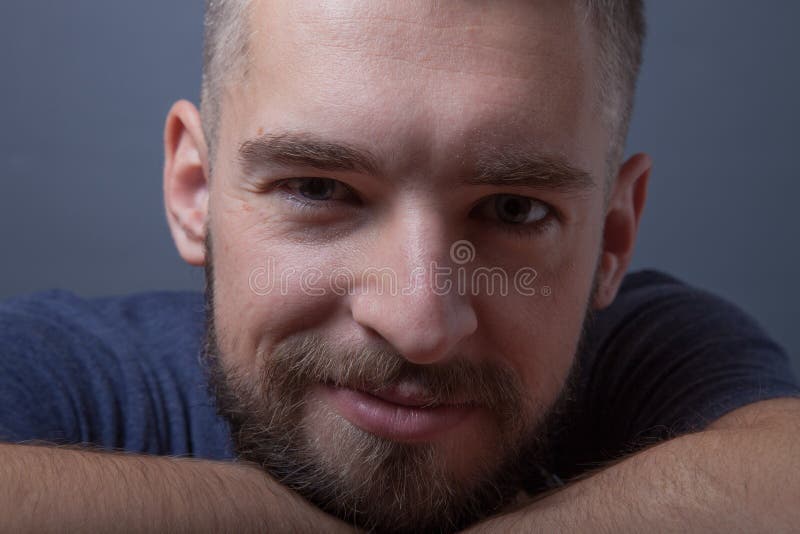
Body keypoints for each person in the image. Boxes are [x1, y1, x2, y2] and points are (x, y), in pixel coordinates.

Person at [1, 1, 798, 532]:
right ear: (195, 191)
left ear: (613, 242)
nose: (419, 324)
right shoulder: (80, 371)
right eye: (318, 189)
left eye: (514, 209)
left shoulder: (646, 354)